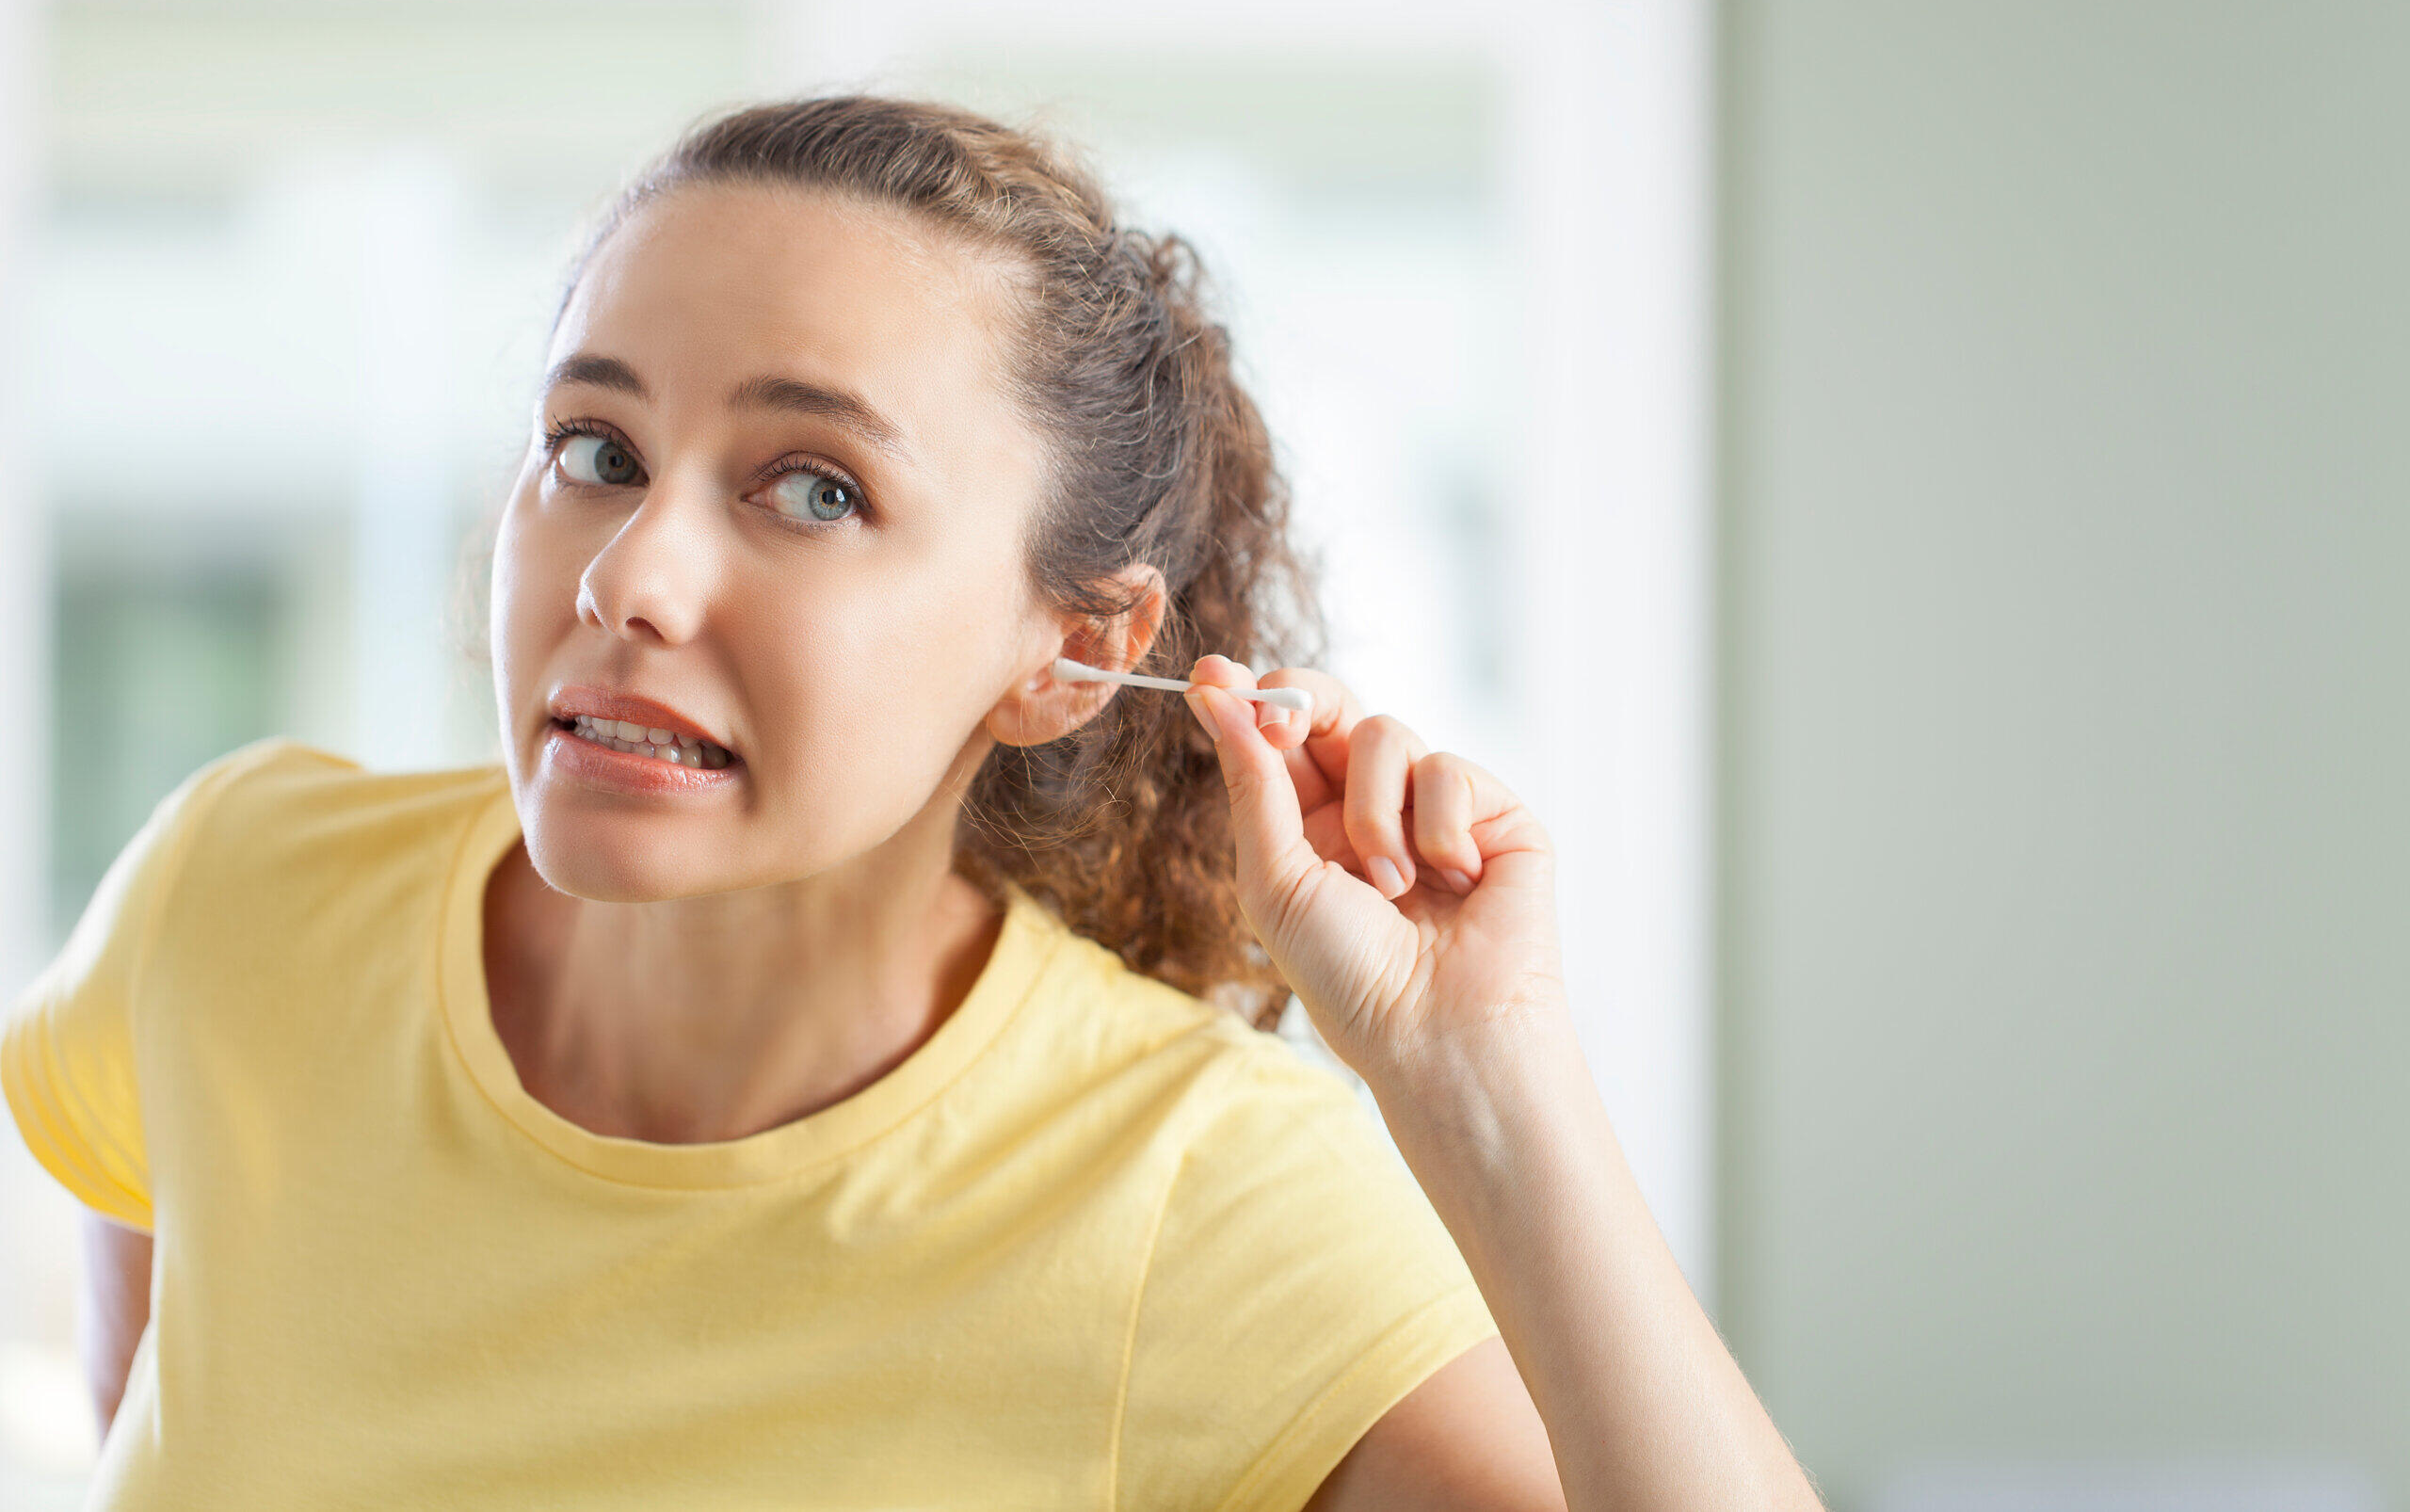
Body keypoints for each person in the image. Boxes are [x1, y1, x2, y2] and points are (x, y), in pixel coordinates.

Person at [2, 95, 1822, 1510]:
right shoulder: (238, 899)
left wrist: (1490, 1079)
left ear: (1067, 648)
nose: (627, 575)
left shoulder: (1192, 1197)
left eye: (812, 491)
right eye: (595, 449)